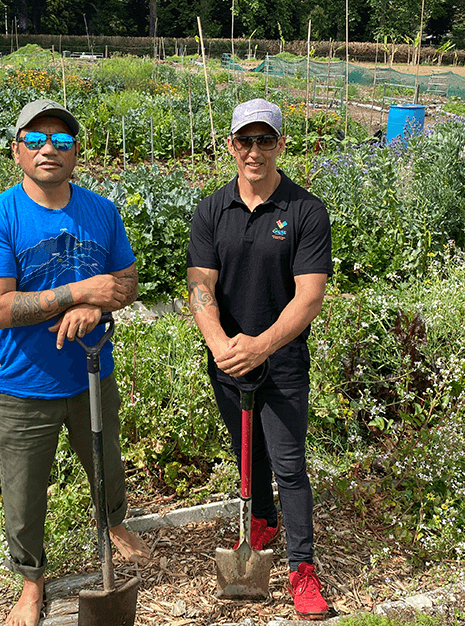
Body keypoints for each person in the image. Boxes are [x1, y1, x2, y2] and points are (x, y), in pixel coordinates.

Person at [0, 99, 150, 626]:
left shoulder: (101, 211)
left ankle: (114, 525)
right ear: (17, 151)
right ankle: (31, 579)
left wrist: (96, 305)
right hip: (24, 383)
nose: (50, 150)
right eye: (36, 140)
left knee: (106, 464)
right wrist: (78, 291)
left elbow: (129, 283)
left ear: (76, 152)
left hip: (93, 372)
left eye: (63, 142)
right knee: (24, 491)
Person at [186, 98, 332, 620]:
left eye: (264, 140)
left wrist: (259, 345)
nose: (254, 151)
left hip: (282, 362)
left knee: (290, 465)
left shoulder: (305, 211)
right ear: (231, 146)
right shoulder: (212, 209)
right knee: (250, 455)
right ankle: (263, 520)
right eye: (244, 141)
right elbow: (200, 284)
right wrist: (221, 344)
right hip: (227, 360)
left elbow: (308, 297)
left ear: (280, 144)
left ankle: (302, 570)